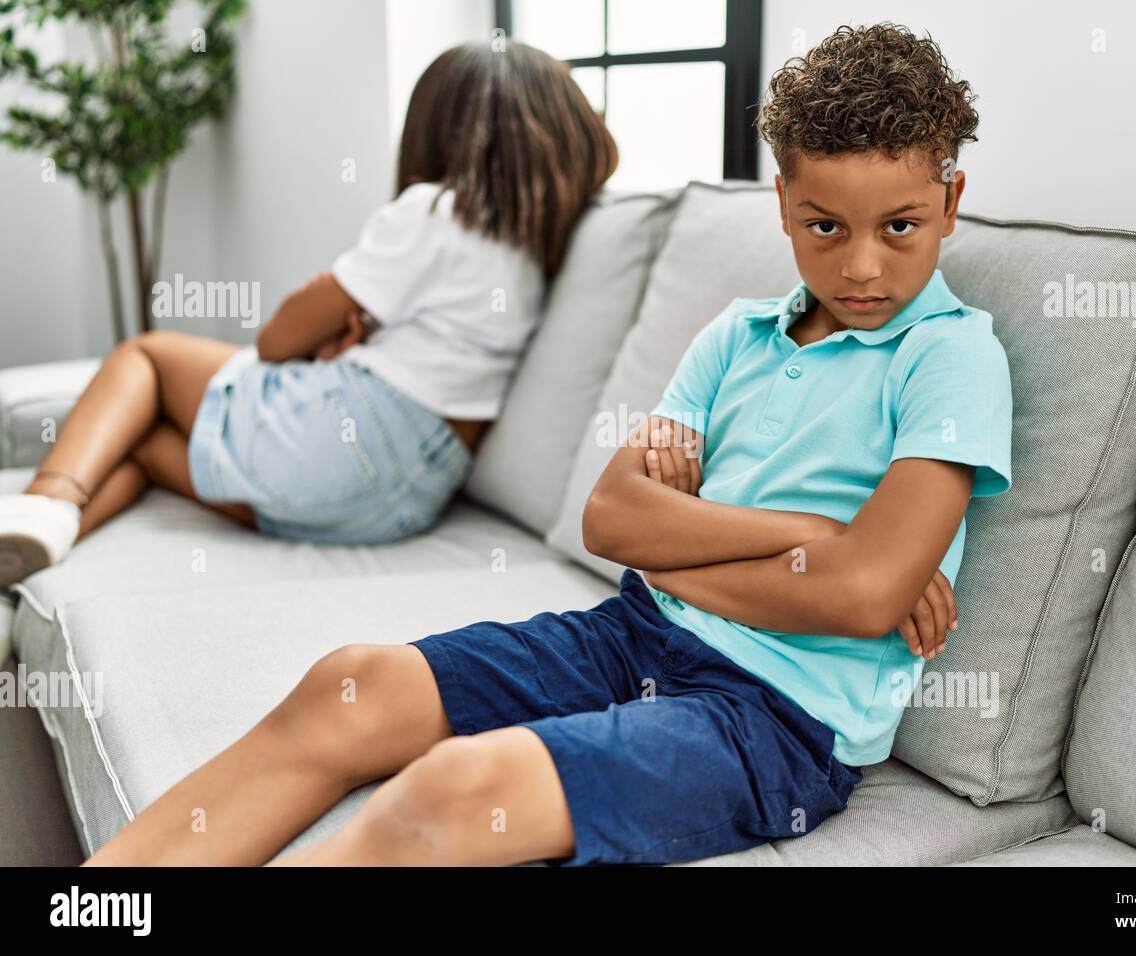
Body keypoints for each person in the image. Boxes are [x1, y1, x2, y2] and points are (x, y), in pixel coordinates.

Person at [85, 23, 1012, 867]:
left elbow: (860, 595)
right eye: (824, 226)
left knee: (456, 792)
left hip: (773, 720)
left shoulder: (951, 355)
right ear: (782, 202)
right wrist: (809, 531)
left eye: (900, 227)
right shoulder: (737, 335)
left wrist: (724, 556)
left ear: (951, 198)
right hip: (634, 633)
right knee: (350, 685)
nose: (860, 265)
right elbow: (611, 520)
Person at [0, 40, 617, 584]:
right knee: (141, 442)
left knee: (148, 355)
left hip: (338, 446)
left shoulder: (436, 210)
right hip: (396, 505)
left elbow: (273, 341)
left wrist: (330, 304)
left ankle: (46, 497)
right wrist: (365, 338)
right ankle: (46, 535)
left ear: (438, 131)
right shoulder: (539, 248)